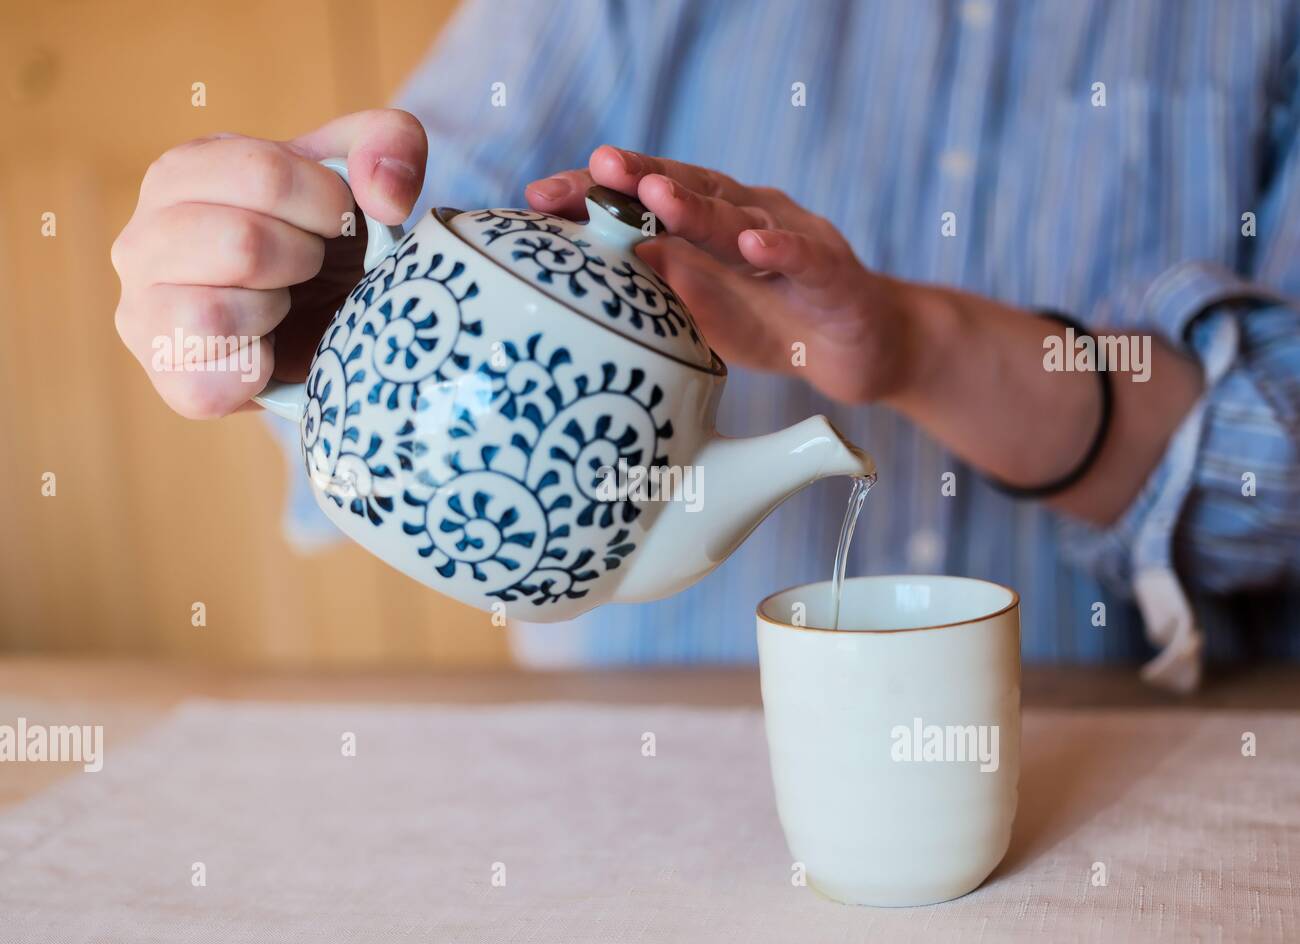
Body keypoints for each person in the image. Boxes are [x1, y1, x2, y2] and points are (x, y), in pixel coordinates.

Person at [111, 0, 1300, 689]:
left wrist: (909, 346)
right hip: (619, 808)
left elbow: (1279, 480)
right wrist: (276, 301)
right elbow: (380, 242)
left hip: (1101, 763)